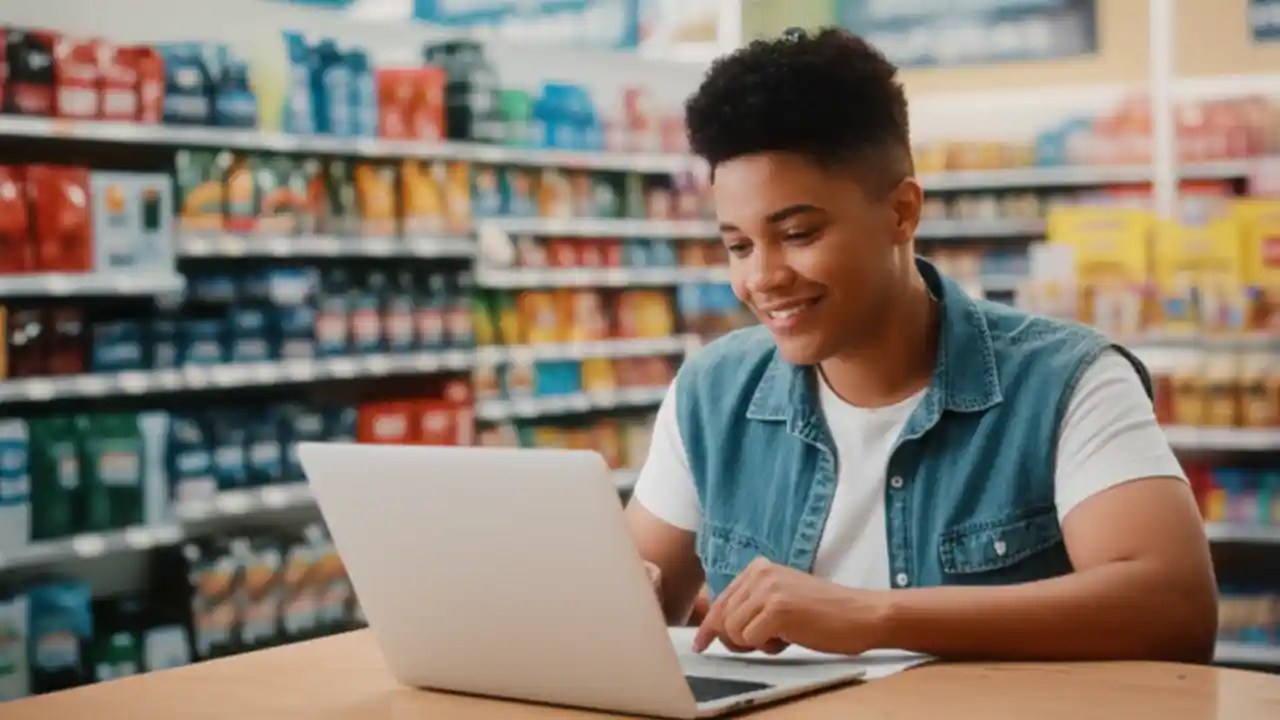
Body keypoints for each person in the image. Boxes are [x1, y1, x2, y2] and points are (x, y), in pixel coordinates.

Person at [625, 27, 1217, 662]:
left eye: (797, 233)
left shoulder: (1065, 380)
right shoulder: (710, 395)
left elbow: (1173, 608)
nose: (763, 278)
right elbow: (634, 603)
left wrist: (872, 615)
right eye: (738, 246)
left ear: (902, 213)